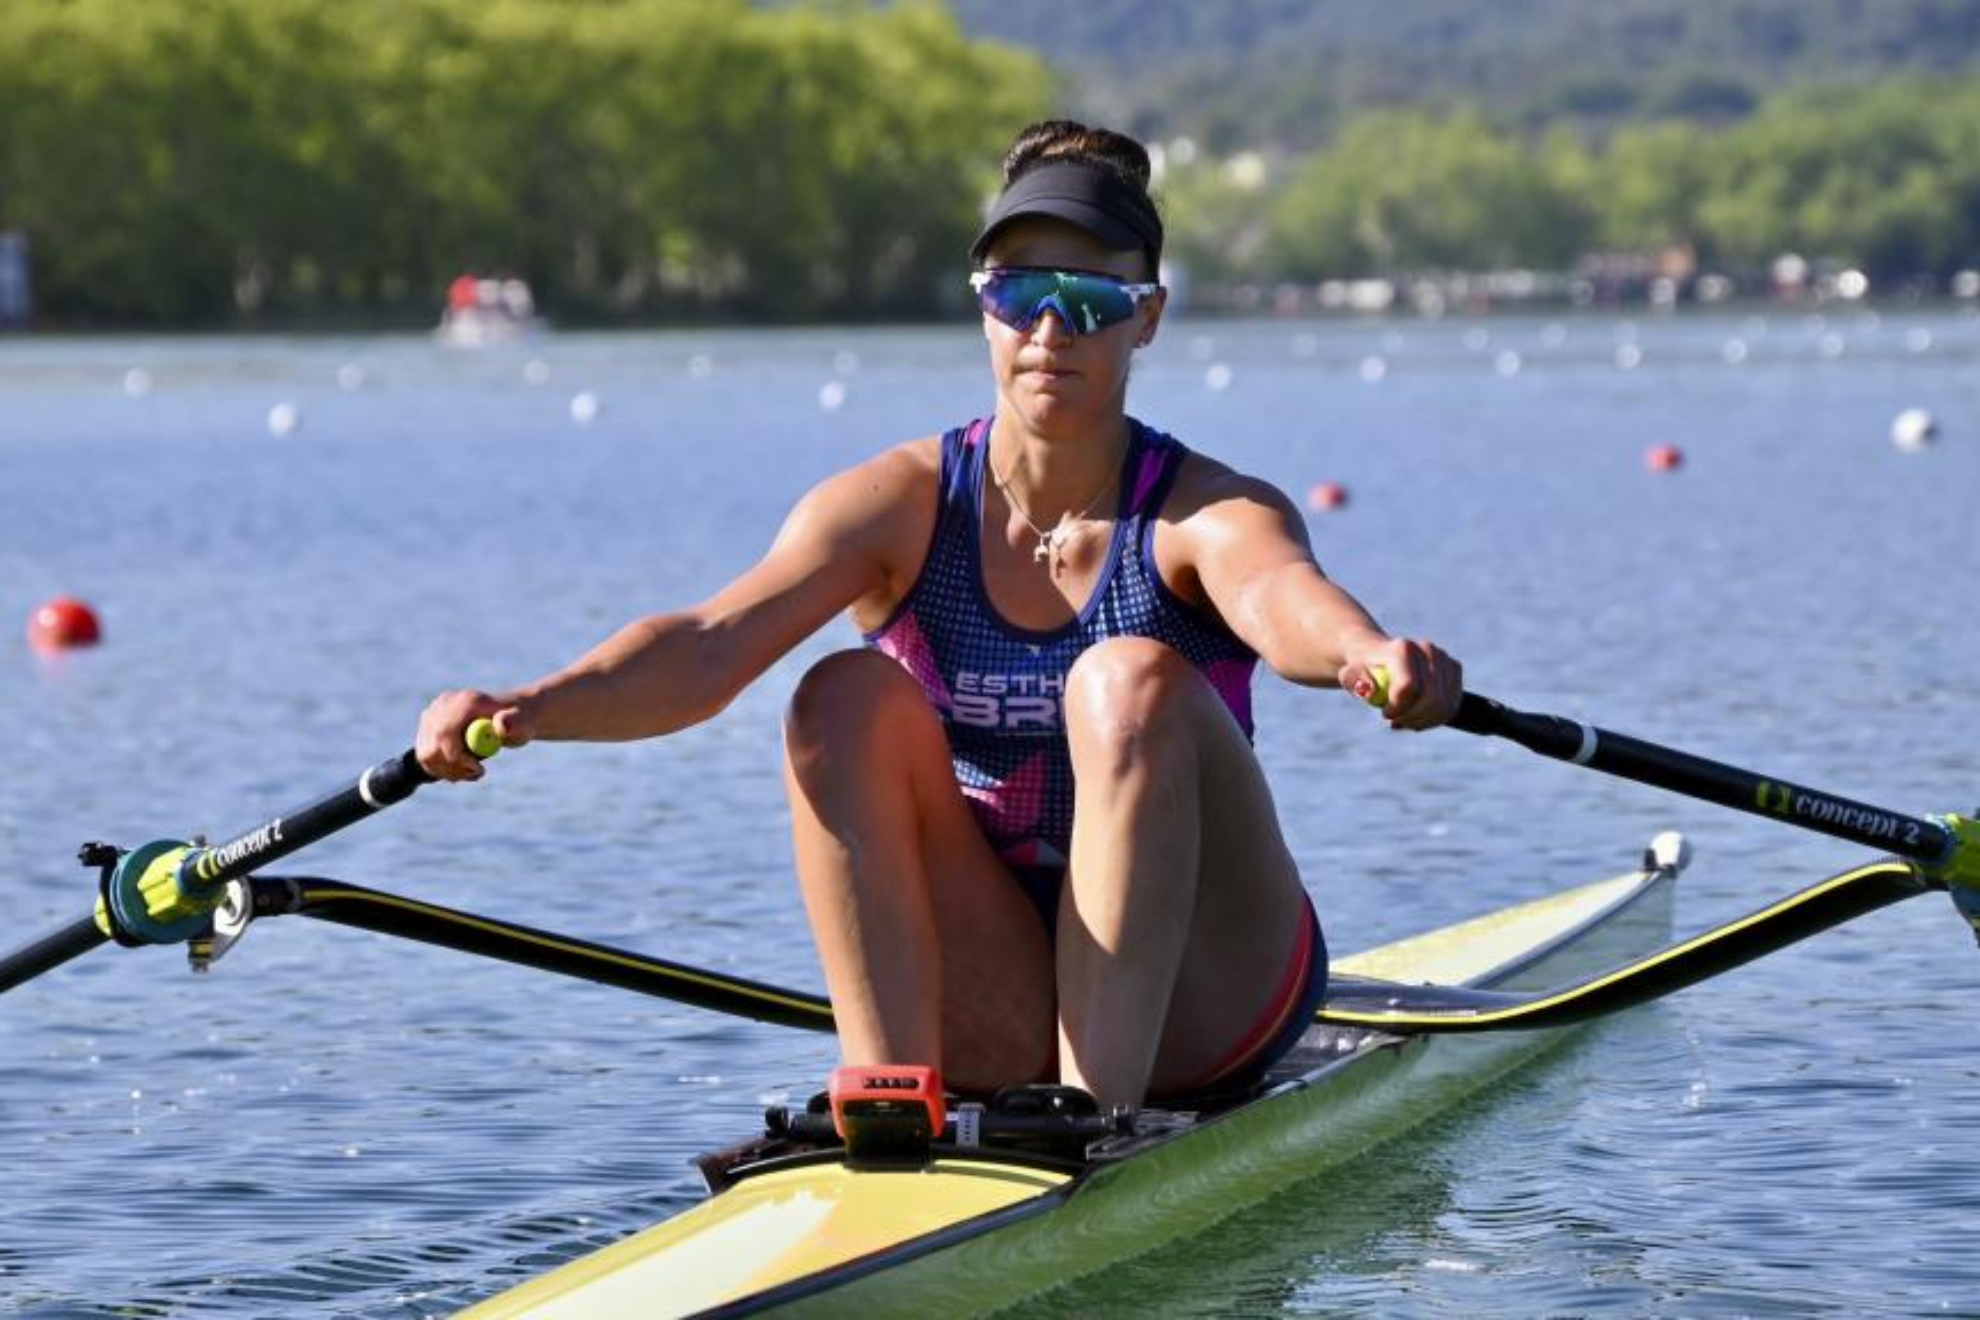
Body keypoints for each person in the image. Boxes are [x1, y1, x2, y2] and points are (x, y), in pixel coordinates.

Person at [417, 120, 1462, 1109]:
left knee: (1125, 681)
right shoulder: (901, 504)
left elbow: (1286, 603)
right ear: (983, 306)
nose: (1050, 331)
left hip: (1209, 998)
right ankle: (892, 1097)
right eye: (1018, 294)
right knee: (839, 696)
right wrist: (533, 706)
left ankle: (1092, 1121)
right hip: (1000, 985)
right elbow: (707, 643)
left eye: (1090, 298)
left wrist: (1369, 654)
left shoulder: (1201, 511)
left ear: (1147, 316)